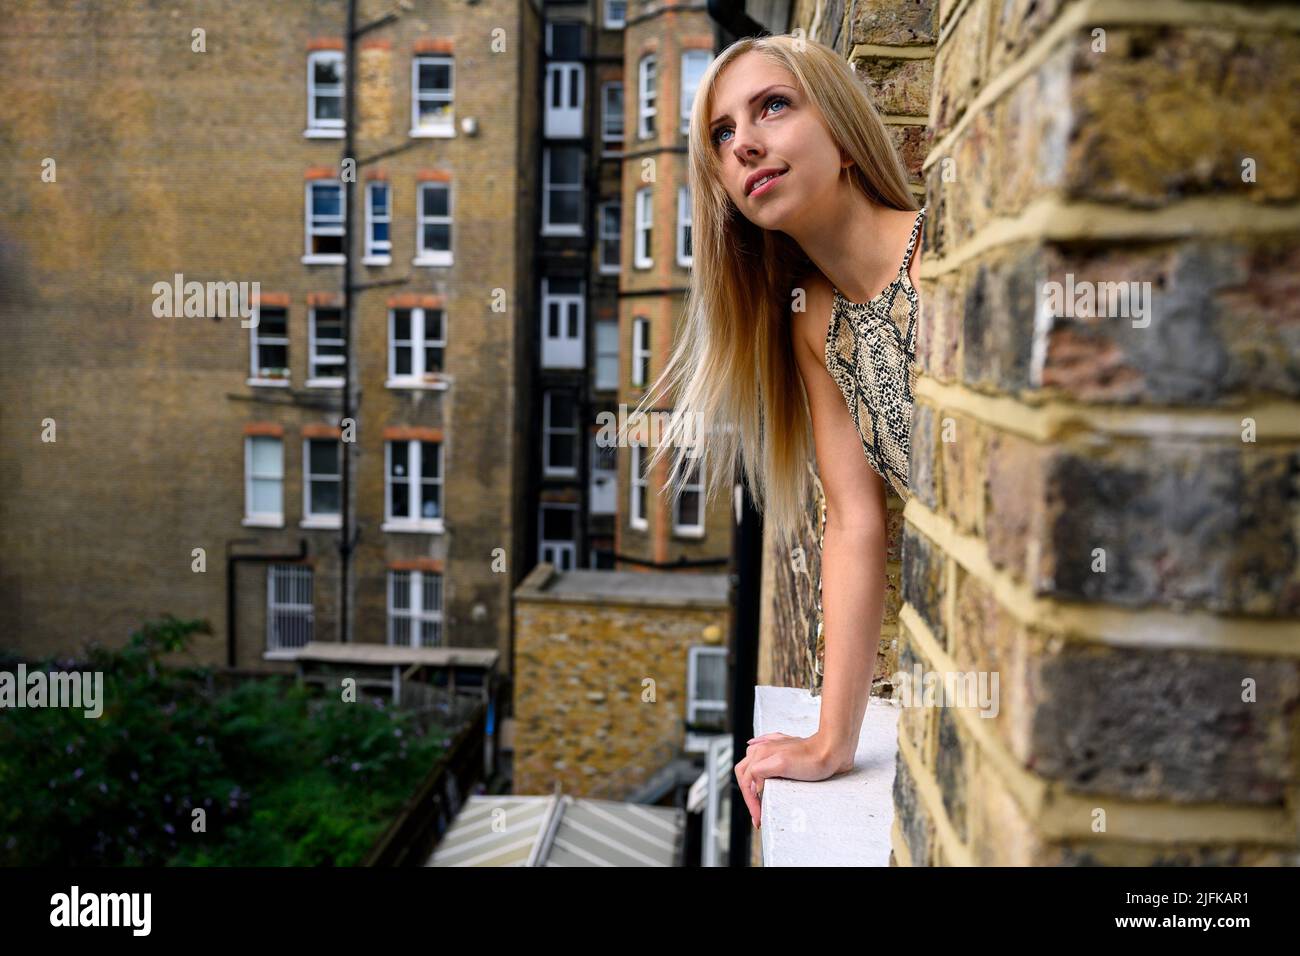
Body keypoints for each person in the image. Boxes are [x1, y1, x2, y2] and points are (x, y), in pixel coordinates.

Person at [626, 33, 925, 831]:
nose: (744, 142)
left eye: (773, 106)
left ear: (845, 137)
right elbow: (855, 522)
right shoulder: (814, 324)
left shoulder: (945, 259)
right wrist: (833, 740)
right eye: (722, 135)